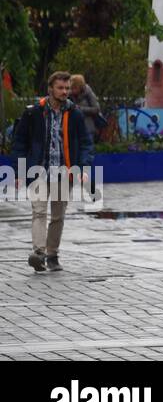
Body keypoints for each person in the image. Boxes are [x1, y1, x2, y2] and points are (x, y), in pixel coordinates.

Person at [12, 71, 94, 273]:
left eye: (67, 88)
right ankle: (38, 254)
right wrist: (19, 171)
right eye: (60, 88)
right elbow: (19, 143)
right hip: (39, 171)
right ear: (50, 89)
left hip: (64, 173)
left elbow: (86, 143)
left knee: (58, 216)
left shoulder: (74, 113)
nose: (65, 91)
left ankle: (52, 255)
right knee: (39, 212)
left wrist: (83, 167)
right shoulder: (33, 113)